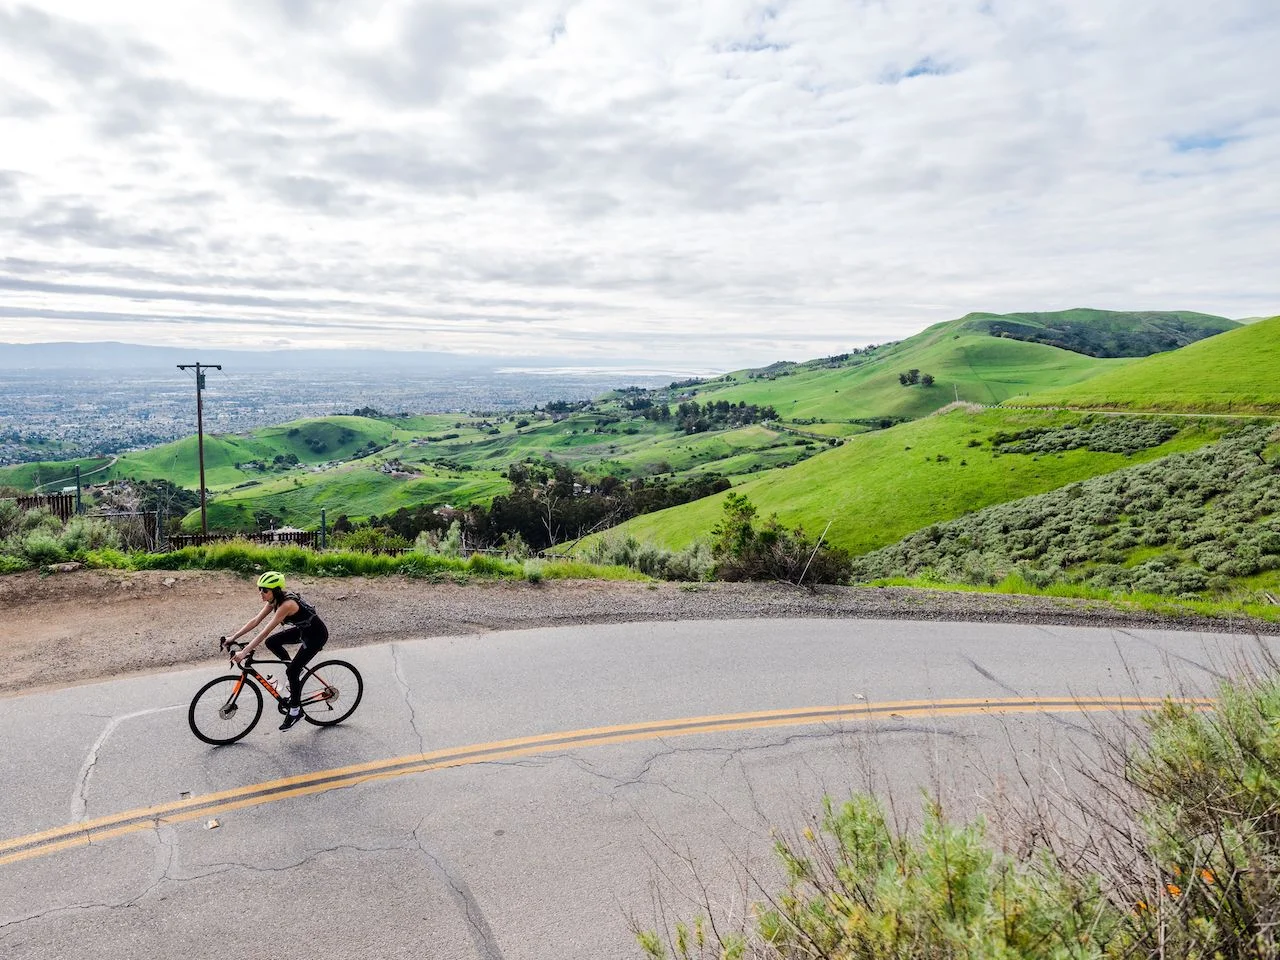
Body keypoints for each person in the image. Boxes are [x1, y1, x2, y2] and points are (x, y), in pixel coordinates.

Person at [221, 571, 328, 731]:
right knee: (273, 643)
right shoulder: (275, 600)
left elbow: (265, 631)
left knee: (291, 672)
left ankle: (295, 711)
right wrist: (232, 637)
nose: (261, 593)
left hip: (316, 635)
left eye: (265, 590)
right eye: (260, 589)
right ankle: (294, 670)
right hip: (303, 630)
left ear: (275, 590)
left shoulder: (286, 605)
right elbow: (256, 621)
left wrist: (244, 652)